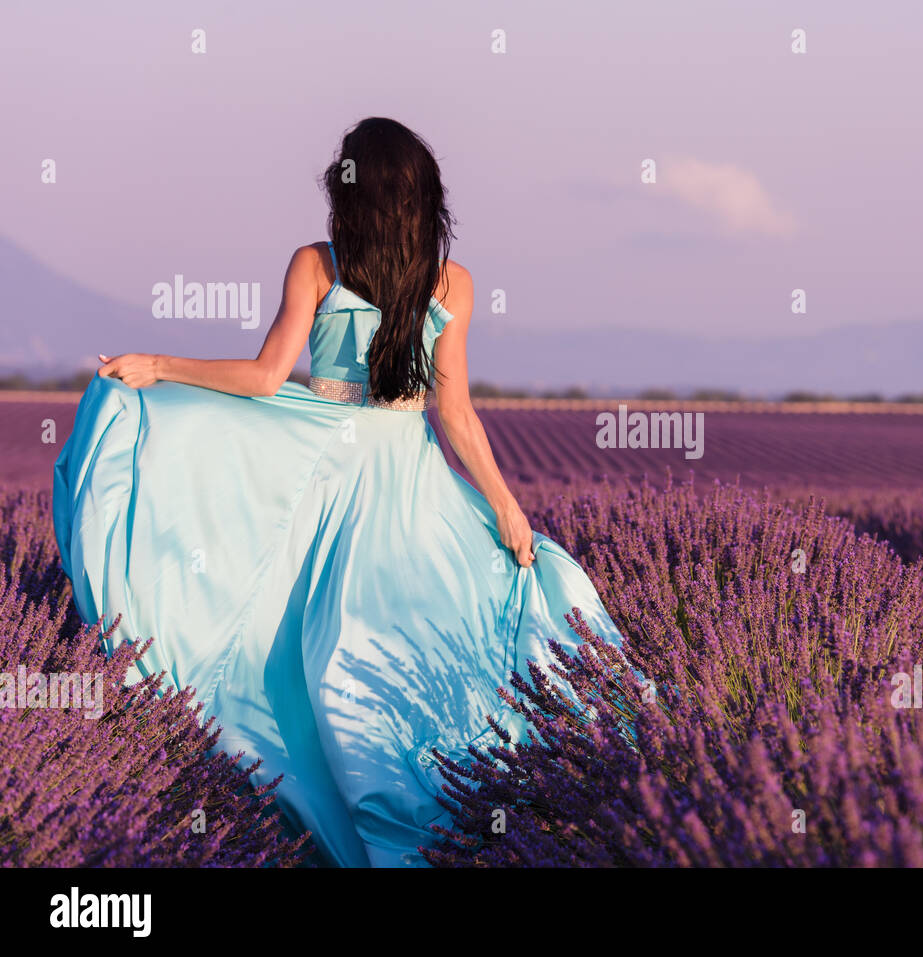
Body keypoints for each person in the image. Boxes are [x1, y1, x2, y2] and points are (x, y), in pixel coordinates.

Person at [52, 117, 624, 867]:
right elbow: (454, 411)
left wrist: (160, 367)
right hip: (413, 482)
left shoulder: (317, 264)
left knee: (296, 636)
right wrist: (506, 507)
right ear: (423, 197)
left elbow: (264, 379)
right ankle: (483, 809)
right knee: (429, 632)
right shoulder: (451, 283)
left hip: (329, 471)